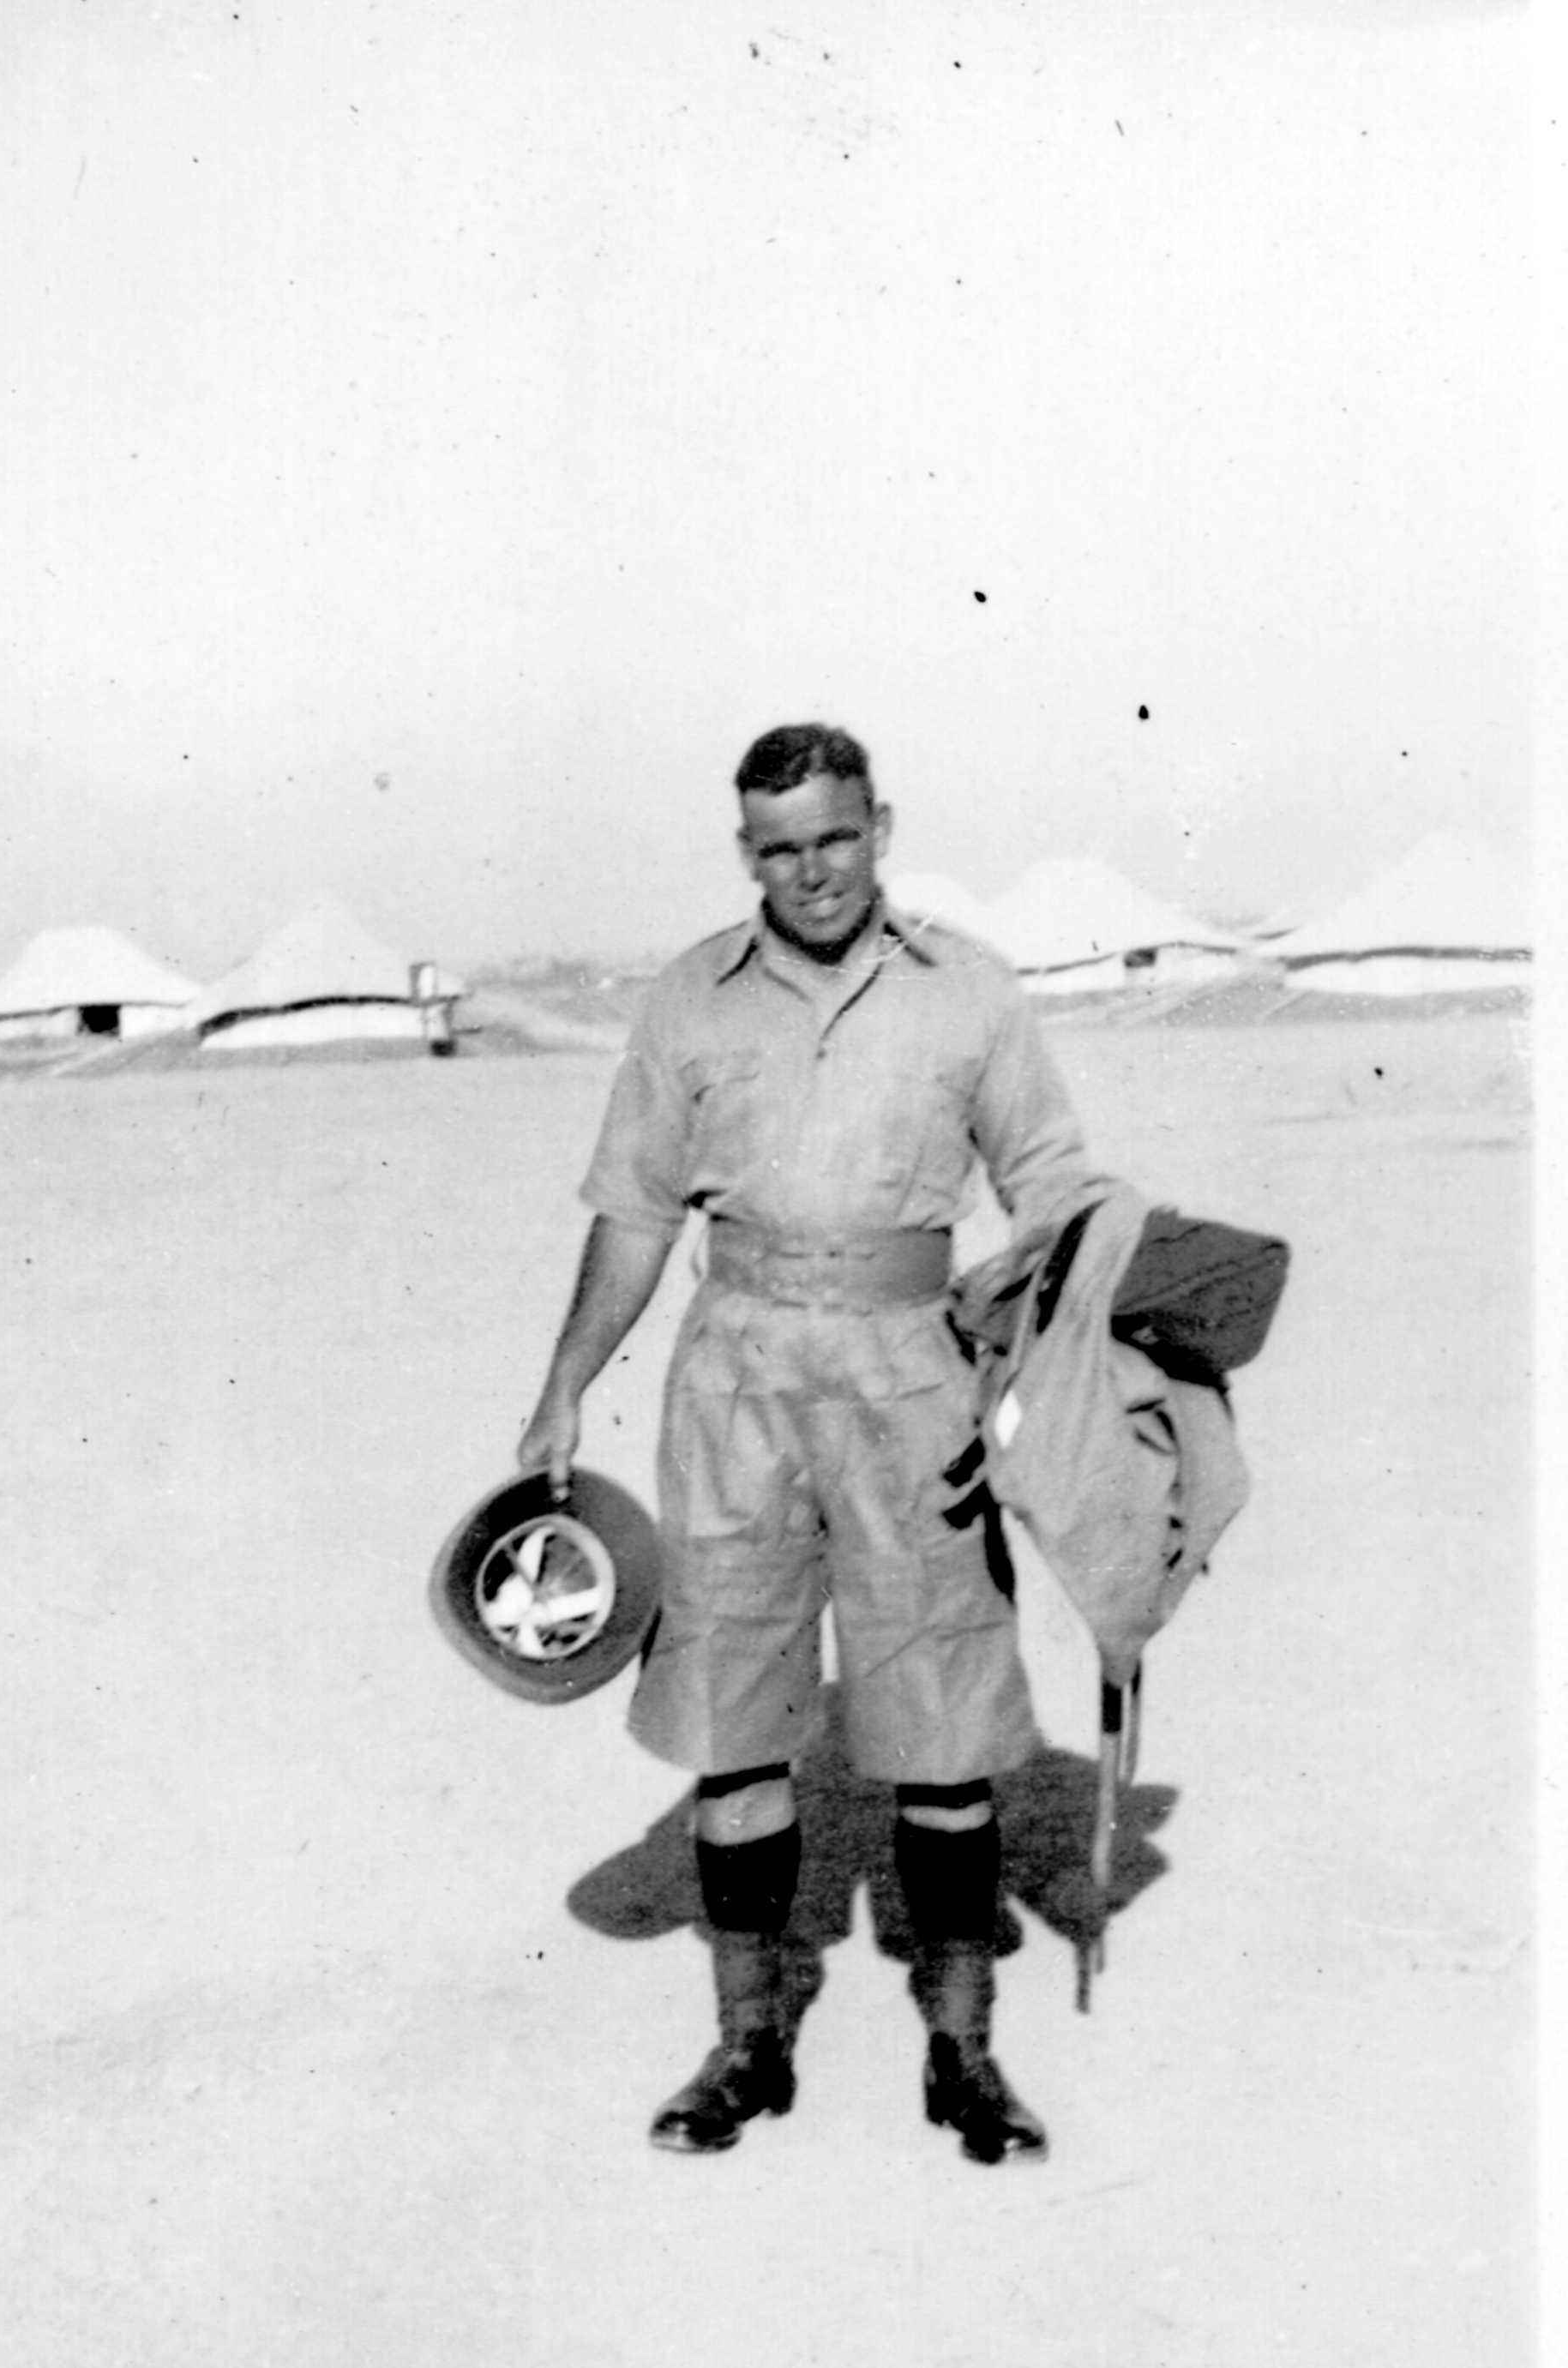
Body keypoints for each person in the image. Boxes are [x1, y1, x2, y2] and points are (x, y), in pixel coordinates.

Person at [517, 722, 1091, 2163]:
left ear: (880, 826)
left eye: (836, 836)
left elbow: (1053, 1189)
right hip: (741, 1384)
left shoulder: (970, 990)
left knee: (944, 1737)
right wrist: (564, 1385)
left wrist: (1046, 1381)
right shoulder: (688, 1000)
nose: (813, 870)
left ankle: (963, 2051)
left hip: (916, 1382)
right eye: (780, 848)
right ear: (746, 853)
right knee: (736, 1732)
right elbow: (635, 1213)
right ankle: (747, 2042)